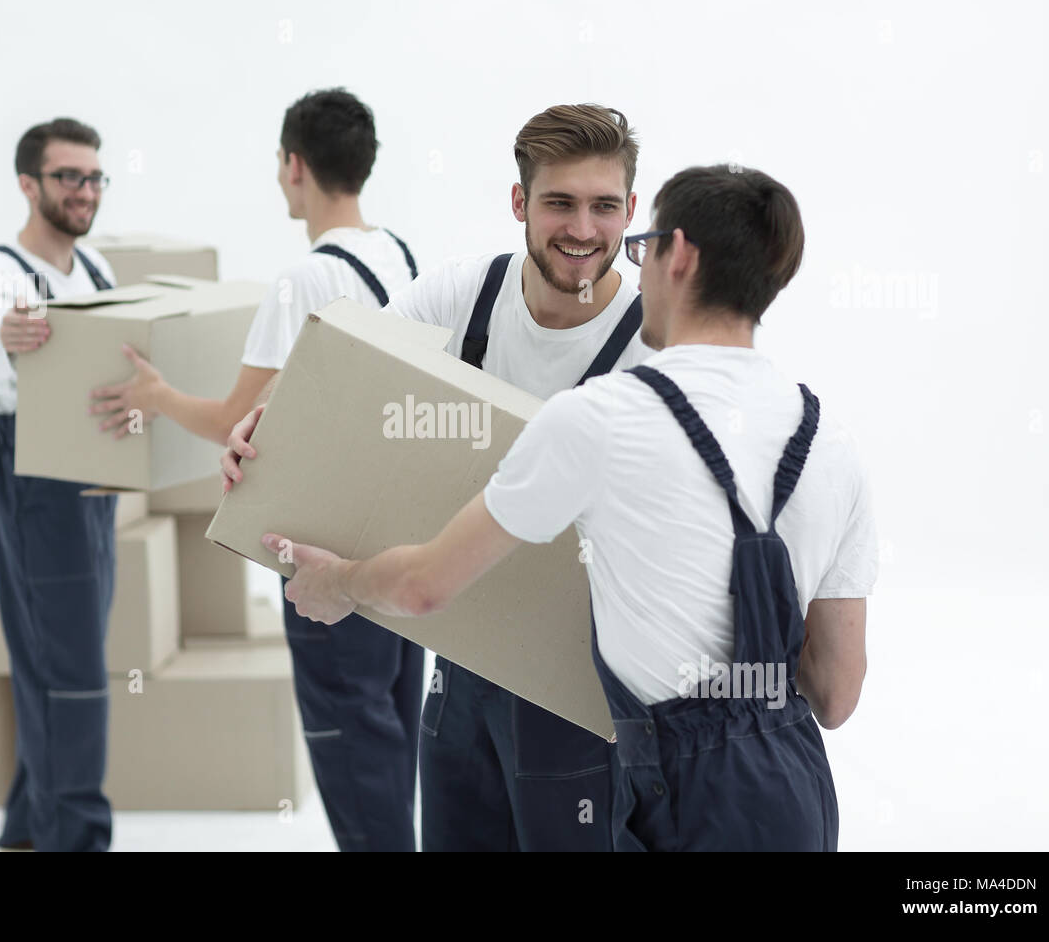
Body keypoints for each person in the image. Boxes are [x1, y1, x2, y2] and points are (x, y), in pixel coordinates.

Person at [265, 163, 877, 852]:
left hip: (672, 801)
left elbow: (424, 587)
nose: (634, 271)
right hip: (795, 797)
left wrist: (339, 582)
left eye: (642, 248)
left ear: (680, 256)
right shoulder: (833, 444)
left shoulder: (598, 421)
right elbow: (835, 693)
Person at [224, 104, 649, 851]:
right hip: (458, 672)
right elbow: (347, 382)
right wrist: (264, 429)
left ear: (630, 211)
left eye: (603, 206)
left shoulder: (656, 340)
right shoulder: (465, 295)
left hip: (580, 694)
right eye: (558, 202)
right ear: (519, 203)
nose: (582, 227)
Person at [88, 89, 423, 852]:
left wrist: (156, 394)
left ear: (295, 164)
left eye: (280, 162)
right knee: (392, 723)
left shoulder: (302, 280)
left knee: (350, 732)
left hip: (321, 534)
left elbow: (237, 417)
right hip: (399, 524)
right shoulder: (398, 253)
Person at [0, 117, 119, 852]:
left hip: (94, 483)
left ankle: (26, 832)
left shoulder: (95, 272)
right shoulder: (1, 269)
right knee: (68, 673)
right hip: (40, 484)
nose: (84, 191)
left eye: (93, 177)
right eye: (68, 177)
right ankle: (75, 839)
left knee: (64, 660)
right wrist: (3, 334)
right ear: (29, 184)